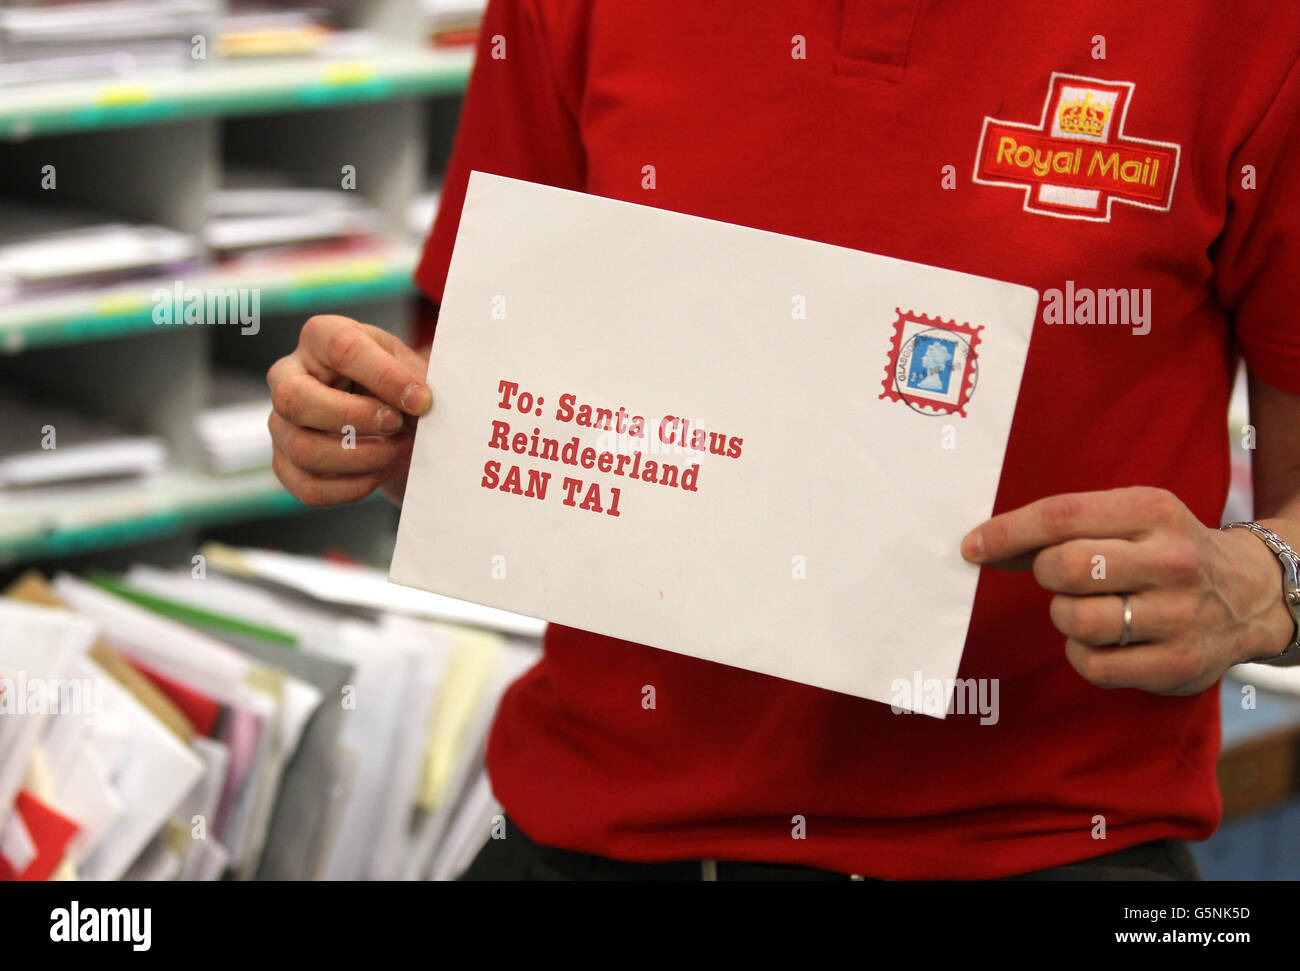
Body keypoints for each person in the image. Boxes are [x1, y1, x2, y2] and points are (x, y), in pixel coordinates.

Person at [267, 0, 1300, 880]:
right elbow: (477, 416)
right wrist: (378, 436)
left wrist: (1259, 584)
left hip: (1049, 849)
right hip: (599, 833)